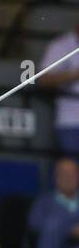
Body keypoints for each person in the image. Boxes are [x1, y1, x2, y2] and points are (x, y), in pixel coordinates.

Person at [27, 157, 79, 248]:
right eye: (63, 174)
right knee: (52, 226)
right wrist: (70, 228)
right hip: (54, 245)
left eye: (71, 174)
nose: (68, 178)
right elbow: (35, 223)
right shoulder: (44, 201)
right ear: (55, 177)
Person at [39, 23, 79, 155]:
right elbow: (43, 79)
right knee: (70, 168)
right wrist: (72, 75)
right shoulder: (61, 46)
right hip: (72, 122)